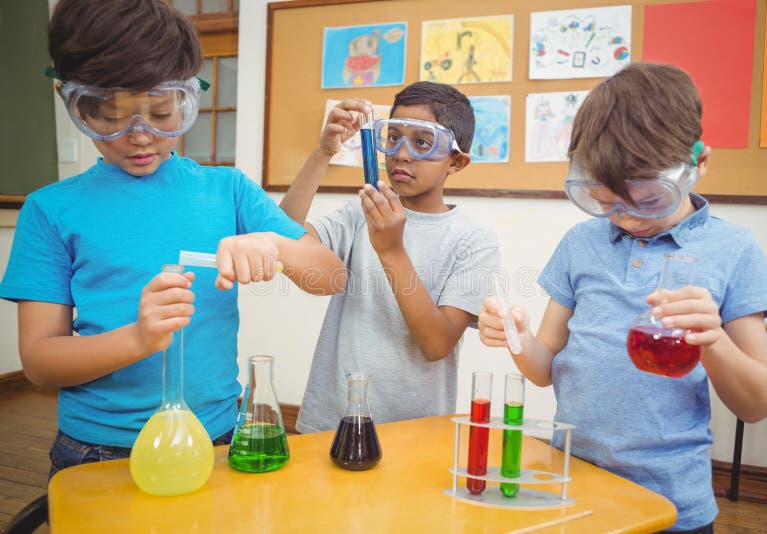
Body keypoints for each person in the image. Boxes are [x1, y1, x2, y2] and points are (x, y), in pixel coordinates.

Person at [0, 0, 345, 476]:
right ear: (71, 100)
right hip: (101, 449)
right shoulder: (49, 210)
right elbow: (39, 362)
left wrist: (277, 246)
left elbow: (330, 275)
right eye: (109, 116)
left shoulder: (228, 189)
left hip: (219, 436)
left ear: (187, 98)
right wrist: (139, 338)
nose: (140, 136)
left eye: (162, 114)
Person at [478, 62, 767, 532]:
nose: (626, 219)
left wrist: (714, 341)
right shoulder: (582, 243)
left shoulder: (733, 250)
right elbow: (542, 370)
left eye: (648, 201)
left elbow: (757, 404)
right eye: (606, 203)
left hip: (671, 503)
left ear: (698, 164)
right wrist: (516, 337)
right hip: (573, 487)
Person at [280, 81, 501, 433]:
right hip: (331, 421)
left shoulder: (474, 242)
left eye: (422, 143)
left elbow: (436, 344)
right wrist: (323, 151)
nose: (401, 153)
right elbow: (285, 235)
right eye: (392, 136)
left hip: (411, 433)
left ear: (456, 162)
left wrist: (391, 250)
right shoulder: (359, 214)